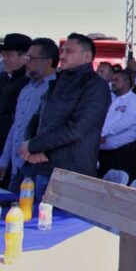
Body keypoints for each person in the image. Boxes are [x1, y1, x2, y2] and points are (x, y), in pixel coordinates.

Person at [21, 33, 111, 200]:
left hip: (71, 174)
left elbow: (77, 129)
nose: (62, 55)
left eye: (69, 51)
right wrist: (31, 149)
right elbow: (37, 119)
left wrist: (34, 145)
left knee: (64, 224)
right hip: (42, 167)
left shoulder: (96, 86)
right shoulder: (58, 81)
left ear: (87, 56)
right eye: (62, 50)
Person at [0, 38, 57, 192]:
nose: (27, 62)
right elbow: (16, 126)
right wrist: (4, 159)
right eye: (26, 58)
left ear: (47, 61)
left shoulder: (57, 89)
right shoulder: (27, 89)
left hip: (38, 166)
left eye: (31, 58)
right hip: (16, 164)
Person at [99, 69, 136, 180]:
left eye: (116, 80)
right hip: (104, 154)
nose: (112, 83)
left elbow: (125, 122)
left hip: (124, 155)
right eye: (112, 80)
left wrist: (103, 133)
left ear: (126, 82)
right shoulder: (112, 99)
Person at [0, 33, 32, 173]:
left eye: (9, 55)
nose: (5, 59)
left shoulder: (30, 83)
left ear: (24, 56)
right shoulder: (3, 78)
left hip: (16, 148)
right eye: (3, 54)